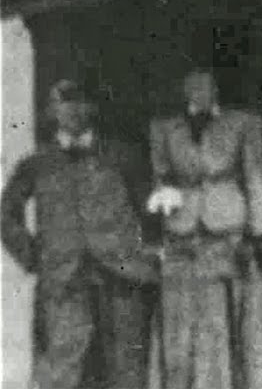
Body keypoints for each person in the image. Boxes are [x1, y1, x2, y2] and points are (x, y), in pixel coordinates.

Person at [1, 79, 158, 389]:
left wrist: (145, 253)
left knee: (126, 369)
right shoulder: (36, 164)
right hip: (63, 279)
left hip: (121, 277)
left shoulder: (122, 156)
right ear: (51, 111)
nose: (73, 111)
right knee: (60, 367)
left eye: (80, 102)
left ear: (93, 109)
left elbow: (151, 207)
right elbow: (5, 214)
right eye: (64, 103)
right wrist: (34, 257)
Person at [147, 66, 262, 389]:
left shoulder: (243, 123)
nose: (199, 92)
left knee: (225, 318)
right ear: (184, 89)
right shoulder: (164, 128)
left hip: (226, 227)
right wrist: (163, 199)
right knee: (184, 318)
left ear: (216, 88)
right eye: (192, 86)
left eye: (206, 85)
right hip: (183, 232)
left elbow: (254, 176)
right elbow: (160, 176)